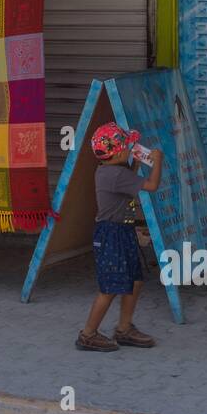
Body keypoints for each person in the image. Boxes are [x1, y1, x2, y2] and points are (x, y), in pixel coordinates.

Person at [76, 122, 164, 353]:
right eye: (127, 146)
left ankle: (124, 329)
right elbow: (152, 185)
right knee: (110, 287)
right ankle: (88, 334)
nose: (130, 148)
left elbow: (126, 182)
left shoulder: (109, 171)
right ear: (118, 152)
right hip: (112, 234)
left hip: (121, 231)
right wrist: (158, 161)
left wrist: (135, 163)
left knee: (135, 280)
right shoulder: (115, 174)